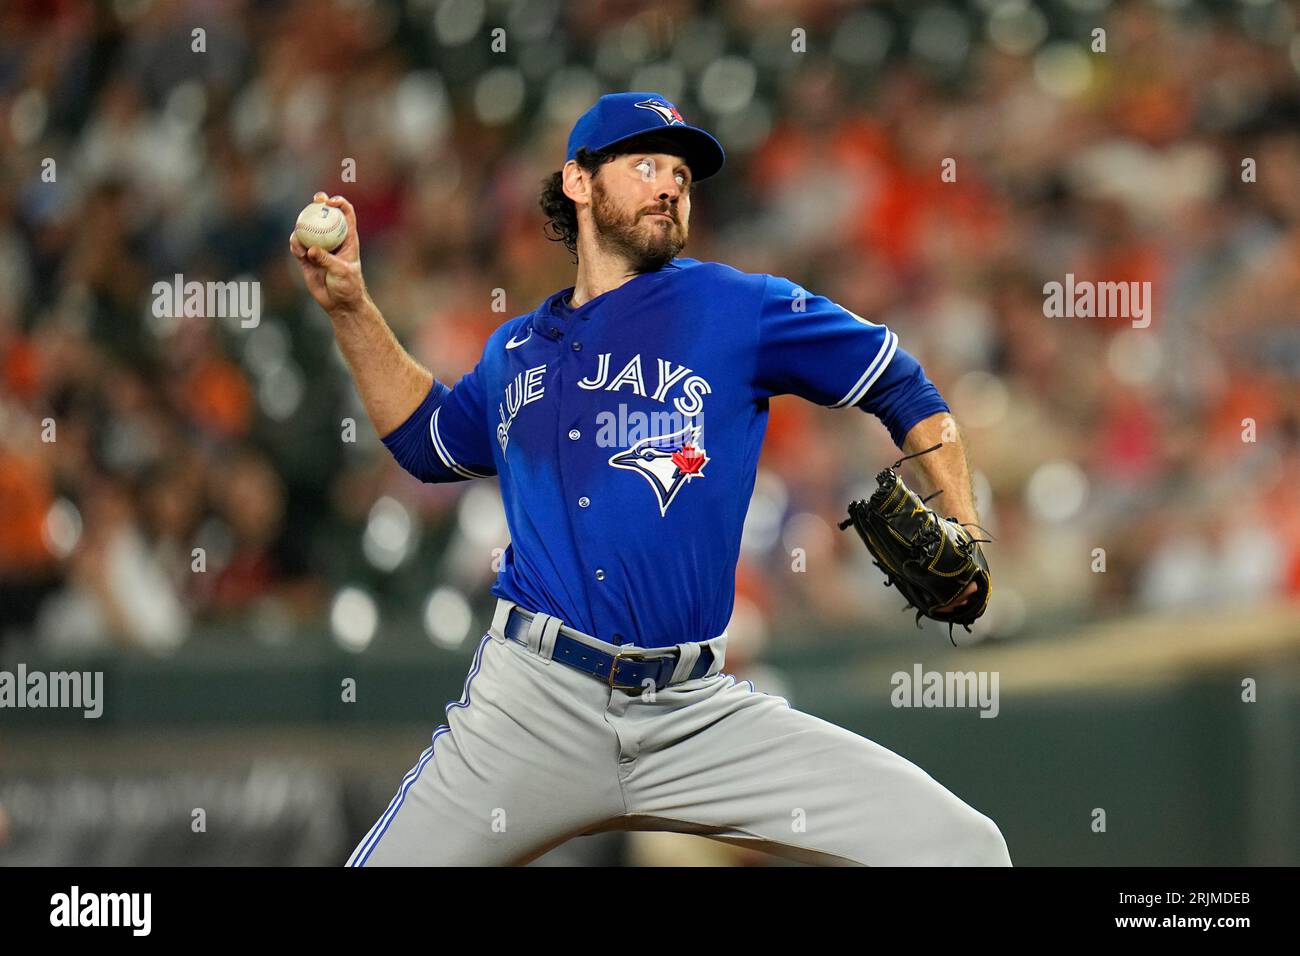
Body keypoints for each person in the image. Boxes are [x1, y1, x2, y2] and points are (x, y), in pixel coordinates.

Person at [290, 92, 1011, 866]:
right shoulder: (516, 352)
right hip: (534, 705)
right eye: (645, 165)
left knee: (963, 848)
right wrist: (352, 309)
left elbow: (904, 386)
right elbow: (428, 442)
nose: (669, 184)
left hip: (694, 711)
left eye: (681, 174)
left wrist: (964, 526)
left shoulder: (739, 306)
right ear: (578, 181)